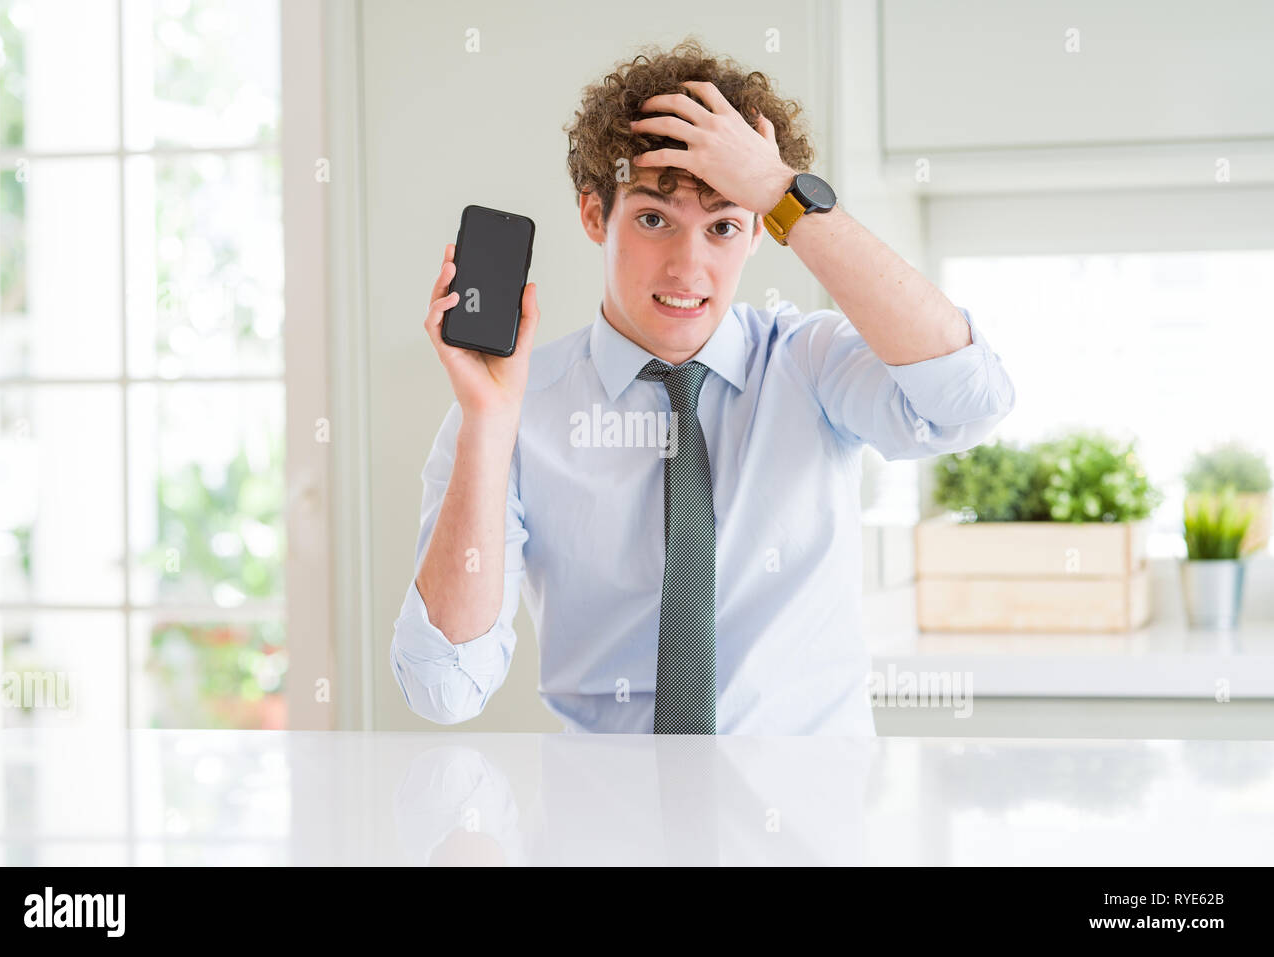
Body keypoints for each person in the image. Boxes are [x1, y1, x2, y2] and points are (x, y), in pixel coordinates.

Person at [391, 38, 1015, 734]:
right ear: (596, 214)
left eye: (722, 225)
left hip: (805, 831)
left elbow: (970, 400)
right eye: (655, 219)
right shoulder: (514, 410)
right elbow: (443, 688)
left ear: (757, 234)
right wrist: (487, 422)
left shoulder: (807, 364)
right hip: (608, 828)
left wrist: (783, 194)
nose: (689, 267)